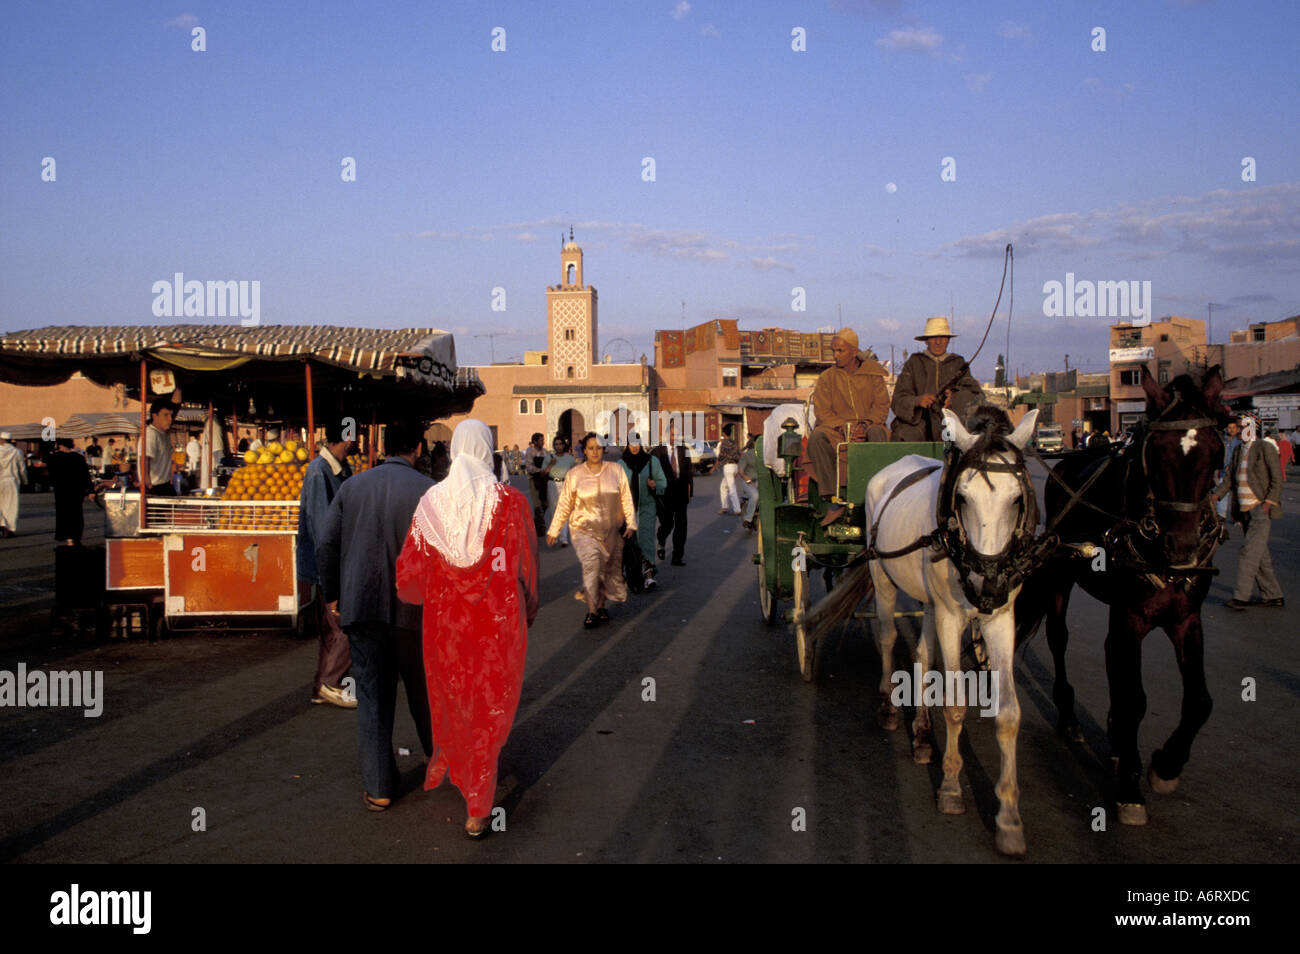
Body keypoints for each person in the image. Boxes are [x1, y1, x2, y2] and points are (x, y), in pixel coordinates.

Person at [396, 420, 538, 838]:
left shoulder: (431, 503)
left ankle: (464, 775)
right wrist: (527, 608)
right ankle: (479, 801)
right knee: (491, 702)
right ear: (487, 449)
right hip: (497, 623)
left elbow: (409, 576)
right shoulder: (511, 502)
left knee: (456, 697)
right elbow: (525, 564)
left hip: (447, 626)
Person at [316, 420, 435, 812]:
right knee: (425, 695)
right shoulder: (429, 492)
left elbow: (327, 543)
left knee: (372, 696)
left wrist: (333, 595)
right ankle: (443, 766)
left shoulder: (353, 486)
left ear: (384, 446)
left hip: (362, 606)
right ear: (417, 448)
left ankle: (380, 786)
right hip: (413, 611)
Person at [548, 432, 637, 628]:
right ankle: (591, 610)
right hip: (583, 529)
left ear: (604, 449)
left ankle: (602, 605)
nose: (595, 452)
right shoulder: (575, 474)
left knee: (606, 569)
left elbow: (626, 497)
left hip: (611, 530)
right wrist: (554, 529)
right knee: (592, 566)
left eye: (598, 448)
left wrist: (631, 523)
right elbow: (564, 504)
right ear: (584, 450)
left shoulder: (616, 470)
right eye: (590, 448)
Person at [298, 422, 356, 708]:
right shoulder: (319, 472)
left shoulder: (338, 470)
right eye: (352, 439)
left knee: (331, 629)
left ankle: (323, 684)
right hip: (328, 563)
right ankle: (331, 683)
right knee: (346, 623)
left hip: (330, 561)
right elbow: (323, 529)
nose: (353, 445)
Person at [810, 327, 891, 525]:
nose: (835, 356)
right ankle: (834, 500)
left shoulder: (873, 375)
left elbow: (881, 406)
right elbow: (822, 411)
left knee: (877, 434)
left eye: (840, 351)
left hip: (869, 425)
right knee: (817, 438)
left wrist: (864, 425)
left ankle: (880, 494)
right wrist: (843, 427)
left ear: (854, 352)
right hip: (837, 430)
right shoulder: (827, 378)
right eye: (833, 351)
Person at [1214, 414, 1284, 610]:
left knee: (1248, 553)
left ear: (1254, 428)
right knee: (1259, 556)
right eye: (1238, 427)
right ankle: (1273, 595)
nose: (1238, 430)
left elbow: (1277, 478)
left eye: (1243, 427)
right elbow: (1228, 479)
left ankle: (1241, 597)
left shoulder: (1264, 448)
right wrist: (1215, 496)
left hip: (1260, 509)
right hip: (1244, 511)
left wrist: (1268, 503)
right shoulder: (1238, 450)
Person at [890, 317, 983, 444]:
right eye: (934, 337)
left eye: (943, 337)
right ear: (926, 341)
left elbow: (976, 395)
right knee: (904, 437)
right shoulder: (914, 363)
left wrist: (955, 397)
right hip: (919, 424)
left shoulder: (958, 363)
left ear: (948, 340)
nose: (938, 342)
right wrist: (917, 401)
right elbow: (897, 400)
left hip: (952, 424)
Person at [620, 431, 667, 589]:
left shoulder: (651, 461)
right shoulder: (621, 464)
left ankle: (649, 576)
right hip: (627, 511)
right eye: (631, 444)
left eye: (637, 443)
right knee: (630, 543)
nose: (635, 447)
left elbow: (663, 482)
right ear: (627, 445)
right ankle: (630, 574)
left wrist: (656, 485)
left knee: (646, 540)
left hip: (647, 507)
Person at [652, 419, 693, 566]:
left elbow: (689, 472)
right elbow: (652, 473)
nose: (674, 438)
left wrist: (690, 492)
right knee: (667, 523)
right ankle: (661, 540)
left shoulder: (684, 450)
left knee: (681, 525)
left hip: (681, 492)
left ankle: (677, 556)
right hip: (664, 494)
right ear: (666, 435)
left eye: (677, 435)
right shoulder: (657, 452)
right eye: (672, 435)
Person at [48, 439, 95, 545]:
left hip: (61, 491)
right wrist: (90, 490)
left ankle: (68, 538)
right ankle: (75, 537)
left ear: (60, 445)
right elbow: (86, 476)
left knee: (63, 514)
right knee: (76, 514)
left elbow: (51, 476)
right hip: (76, 491)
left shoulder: (55, 458)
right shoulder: (79, 458)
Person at [545, 436, 577, 546]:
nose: (558, 446)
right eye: (556, 444)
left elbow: (575, 472)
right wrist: (550, 464)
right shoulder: (549, 457)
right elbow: (542, 473)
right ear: (554, 446)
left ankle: (563, 538)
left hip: (565, 484)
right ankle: (556, 534)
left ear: (564, 445)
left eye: (560, 444)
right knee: (554, 511)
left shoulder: (570, 459)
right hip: (552, 484)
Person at [143, 398, 178, 496]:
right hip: (154, 487)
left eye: (171, 415)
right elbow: (145, 458)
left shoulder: (163, 432)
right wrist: (146, 479)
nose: (170, 419)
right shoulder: (150, 434)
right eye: (165, 415)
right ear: (155, 416)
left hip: (165, 484)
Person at [523, 432, 554, 535]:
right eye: (541, 440)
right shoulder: (530, 452)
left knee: (545, 503)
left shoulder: (545, 452)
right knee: (537, 504)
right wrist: (539, 471)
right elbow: (528, 466)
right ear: (535, 442)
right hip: (534, 480)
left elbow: (551, 463)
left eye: (543, 440)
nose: (543, 442)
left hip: (544, 480)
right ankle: (540, 529)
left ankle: (536, 522)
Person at [0, 432, 27, 538]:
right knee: (11, 507)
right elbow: (22, 468)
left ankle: (1, 523)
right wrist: (25, 481)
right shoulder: (17, 452)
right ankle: (9, 529)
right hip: (12, 481)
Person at [716, 425, 742, 515]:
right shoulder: (734, 442)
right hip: (735, 466)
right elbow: (739, 454)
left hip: (728, 467)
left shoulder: (724, 443)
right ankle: (724, 507)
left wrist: (714, 467)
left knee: (732, 488)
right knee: (723, 486)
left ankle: (737, 509)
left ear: (724, 433)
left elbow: (721, 456)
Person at [737, 434, 760, 531]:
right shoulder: (747, 455)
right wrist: (748, 480)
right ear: (755, 443)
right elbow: (741, 472)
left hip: (762, 481)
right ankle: (748, 519)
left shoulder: (767, 454)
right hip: (749, 481)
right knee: (755, 495)